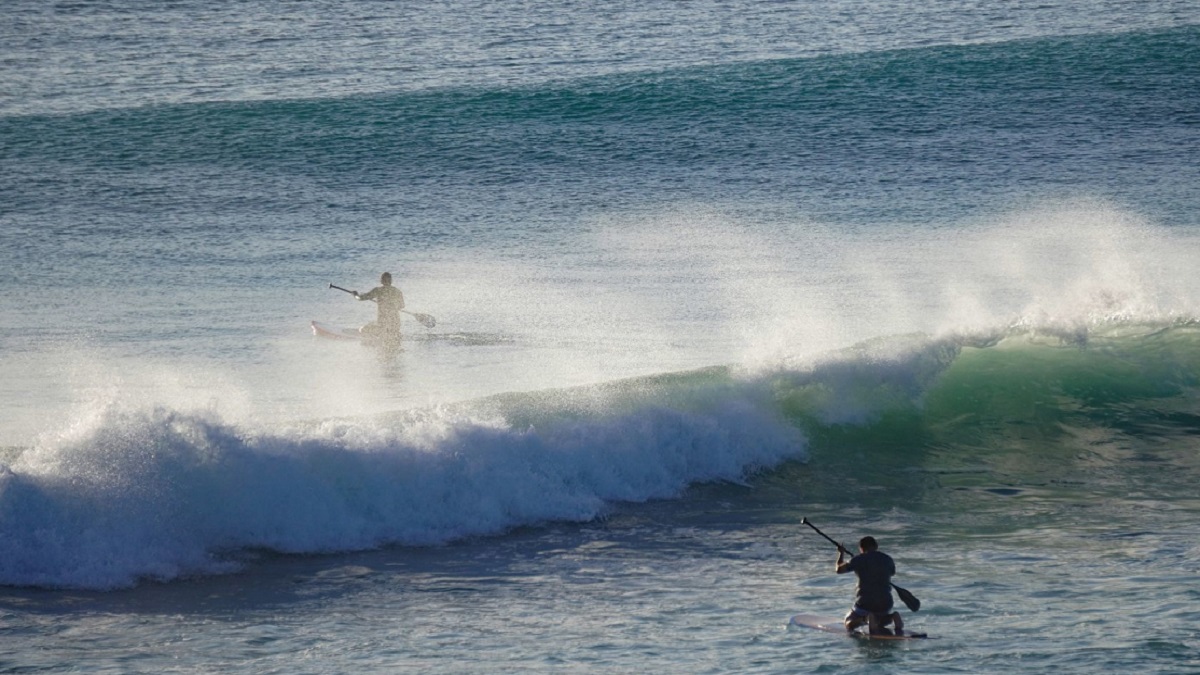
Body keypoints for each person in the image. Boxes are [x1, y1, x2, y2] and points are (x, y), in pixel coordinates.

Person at [836, 536, 905, 636]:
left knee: (848, 622)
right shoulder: (888, 559)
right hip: (886, 603)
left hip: (865, 603)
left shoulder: (858, 559)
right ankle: (893, 616)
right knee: (879, 620)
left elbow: (839, 570)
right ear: (876, 546)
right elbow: (892, 573)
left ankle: (866, 618)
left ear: (861, 548)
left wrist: (841, 553)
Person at [354, 272, 404, 346]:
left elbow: (361, 298)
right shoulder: (397, 291)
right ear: (391, 281)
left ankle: (375, 342)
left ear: (381, 281)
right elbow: (402, 306)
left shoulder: (378, 290)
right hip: (396, 324)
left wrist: (355, 295)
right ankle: (395, 335)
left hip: (382, 325)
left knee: (363, 329)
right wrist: (392, 305)